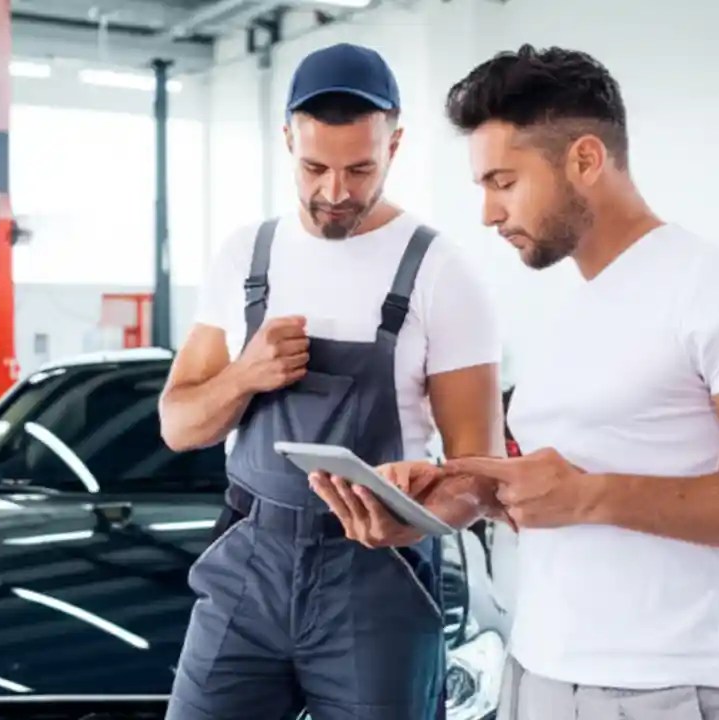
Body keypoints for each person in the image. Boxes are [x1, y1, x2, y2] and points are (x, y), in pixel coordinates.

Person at [310, 44, 719, 720]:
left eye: (503, 181)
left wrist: (591, 497)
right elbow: (564, 485)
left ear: (584, 160)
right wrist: (463, 492)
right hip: (538, 671)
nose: (488, 212)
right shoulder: (572, 307)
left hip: (661, 690)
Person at [158, 42, 505, 719]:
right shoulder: (244, 256)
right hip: (247, 562)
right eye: (314, 166)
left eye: (360, 168)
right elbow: (178, 426)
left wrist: (412, 526)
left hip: (375, 577)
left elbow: (480, 475)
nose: (334, 192)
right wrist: (245, 374)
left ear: (395, 145)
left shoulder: (440, 271)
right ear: (287, 137)